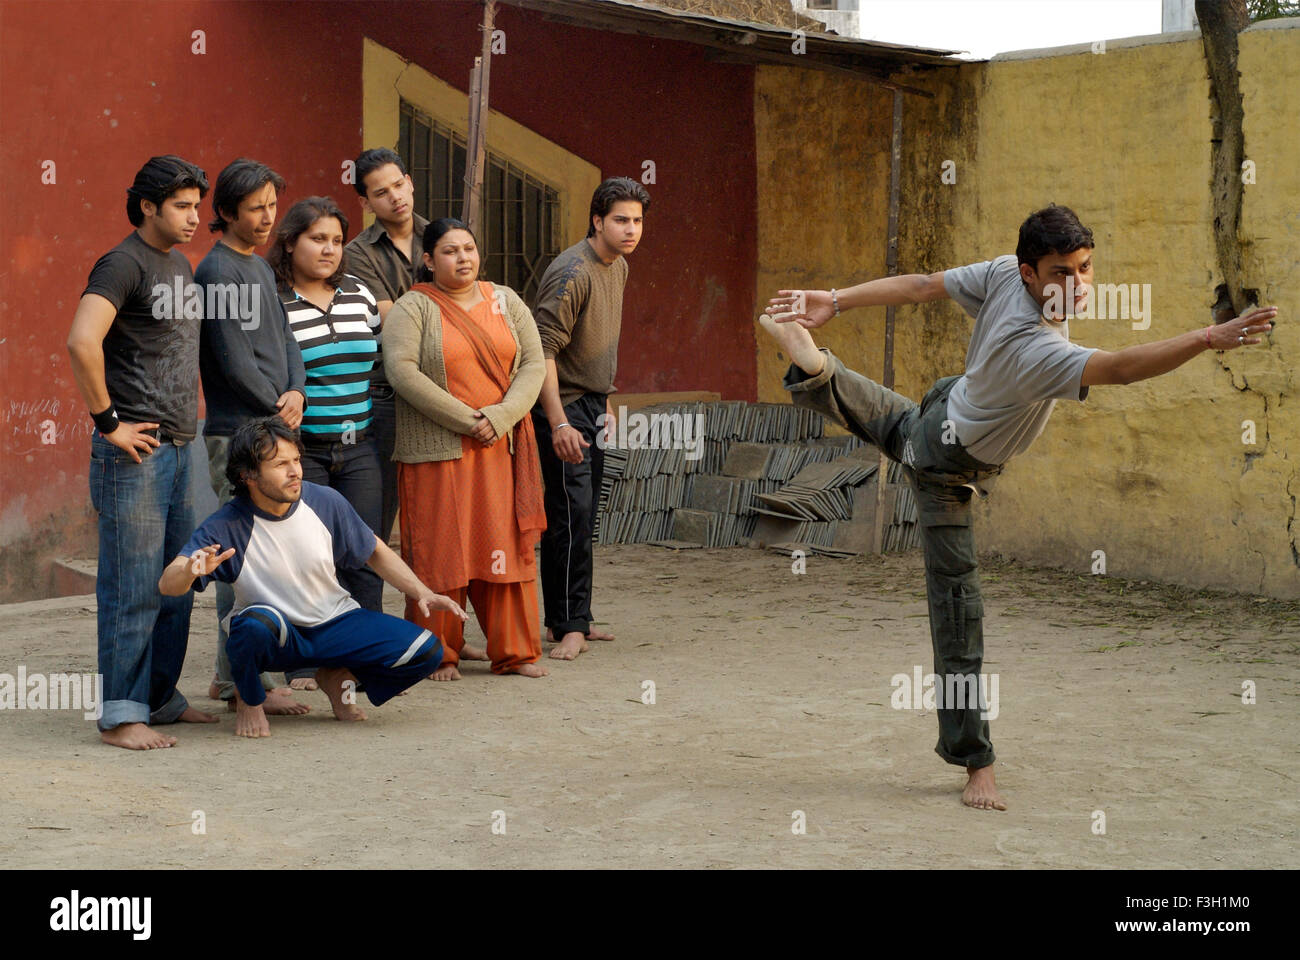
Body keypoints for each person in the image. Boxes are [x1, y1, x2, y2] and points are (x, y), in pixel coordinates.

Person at [764, 203, 1278, 811]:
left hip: (949, 403)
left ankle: (817, 366)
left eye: (1086, 268)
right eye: (1062, 273)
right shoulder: (1032, 348)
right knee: (958, 609)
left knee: (906, 427)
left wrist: (835, 298)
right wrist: (1207, 337)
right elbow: (1119, 368)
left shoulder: (1006, 276)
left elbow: (925, 285)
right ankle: (975, 761)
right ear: (1029, 273)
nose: (1078, 286)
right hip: (948, 466)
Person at [158, 417, 468, 737]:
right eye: (280, 464)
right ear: (247, 475)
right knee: (250, 626)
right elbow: (168, 585)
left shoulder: (323, 500)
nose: (295, 471)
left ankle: (335, 676)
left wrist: (421, 591)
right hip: (279, 635)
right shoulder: (226, 524)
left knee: (427, 652)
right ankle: (249, 701)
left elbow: (374, 549)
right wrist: (189, 569)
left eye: (296, 460)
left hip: (336, 623)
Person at [66, 155, 218, 749]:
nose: (192, 217)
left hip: (181, 449)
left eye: (196, 206)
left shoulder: (179, 262)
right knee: (132, 586)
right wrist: (109, 424)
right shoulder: (122, 262)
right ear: (148, 206)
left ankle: (159, 698)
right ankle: (121, 715)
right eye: (181, 205)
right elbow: (82, 341)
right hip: (134, 455)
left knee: (178, 583)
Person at [384, 219, 549, 679]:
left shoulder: (507, 300)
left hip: (501, 447)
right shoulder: (412, 308)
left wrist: (499, 417)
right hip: (438, 453)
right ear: (429, 260)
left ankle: (515, 652)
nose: (463, 258)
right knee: (441, 551)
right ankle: (437, 653)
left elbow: (534, 364)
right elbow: (402, 372)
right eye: (451, 251)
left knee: (503, 546)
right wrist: (469, 419)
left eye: (470, 249)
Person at [195, 157, 309, 715]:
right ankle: (233, 677)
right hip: (237, 432)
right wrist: (278, 406)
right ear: (225, 213)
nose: (268, 218)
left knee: (264, 551)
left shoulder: (260, 267)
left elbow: (286, 339)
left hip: (271, 421)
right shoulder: (216, 272)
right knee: (233, 553)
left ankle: (232, 674)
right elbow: (233, 362)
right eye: (255, 208)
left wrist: (298, 391)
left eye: (272, 205)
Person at [530, 177, 650, 661]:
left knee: (584, 515)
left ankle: (572, 618)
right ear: (597, 221)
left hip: (592, 403)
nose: (631, 230)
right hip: (560, 405)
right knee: (568, 514)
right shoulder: (572, 272)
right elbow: (541, 352)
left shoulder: (617, 265)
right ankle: (569, 626)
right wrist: (559, 422)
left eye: (638, 221)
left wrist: (606, 401)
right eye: (621, 220)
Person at [267, 197, 386, 678]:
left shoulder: (359, 293)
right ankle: (305, 662)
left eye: (337, 240)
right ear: (291, 241)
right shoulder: (273, 301)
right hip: (303, 452)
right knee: (308, 558)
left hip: (359, 449)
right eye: (318, 239)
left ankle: (369, 654)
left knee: (364, 553)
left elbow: (377, 366)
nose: (329, 249)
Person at [344, 148, 430, 548]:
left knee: (436, 512)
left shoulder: (444, 238)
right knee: (376, 519)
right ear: (365, 202)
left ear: (410, 182)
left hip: (443, 392)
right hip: (385, 396)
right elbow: (393, 323)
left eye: (399, 185)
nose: (396, 197)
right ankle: (365, 606)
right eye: (382, 192)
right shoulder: (356, 255)